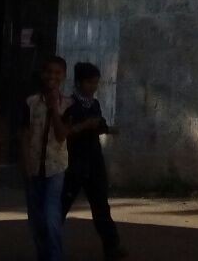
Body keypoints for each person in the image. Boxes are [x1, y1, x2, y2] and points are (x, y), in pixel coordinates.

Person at [62, 62, 126, 260]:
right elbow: (65, 132)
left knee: (100, 205)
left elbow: (100, 125)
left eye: (95, 83)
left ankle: (111, 246)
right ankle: (50, 245)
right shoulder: (69, 104)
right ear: (80, 83)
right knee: (62, 205)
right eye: (90, 83)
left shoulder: (94, 103)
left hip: (93, 159)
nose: (94, 87)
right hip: (74, 160)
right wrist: (85, 126)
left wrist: (106, 128)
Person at [21, 56, 71, 261]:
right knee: (36, 217)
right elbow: (24, 133)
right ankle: (43, 254)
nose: (52, 76)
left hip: (55, 166)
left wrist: (54, 109)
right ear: (42, 74)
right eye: (49, 72)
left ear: (63, 76)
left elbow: (61, 135)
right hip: (33, 165)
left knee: (51, 215)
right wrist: (24, 162)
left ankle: (55, 256)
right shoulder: (30, 102)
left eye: (57, 73)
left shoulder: (67, 104)